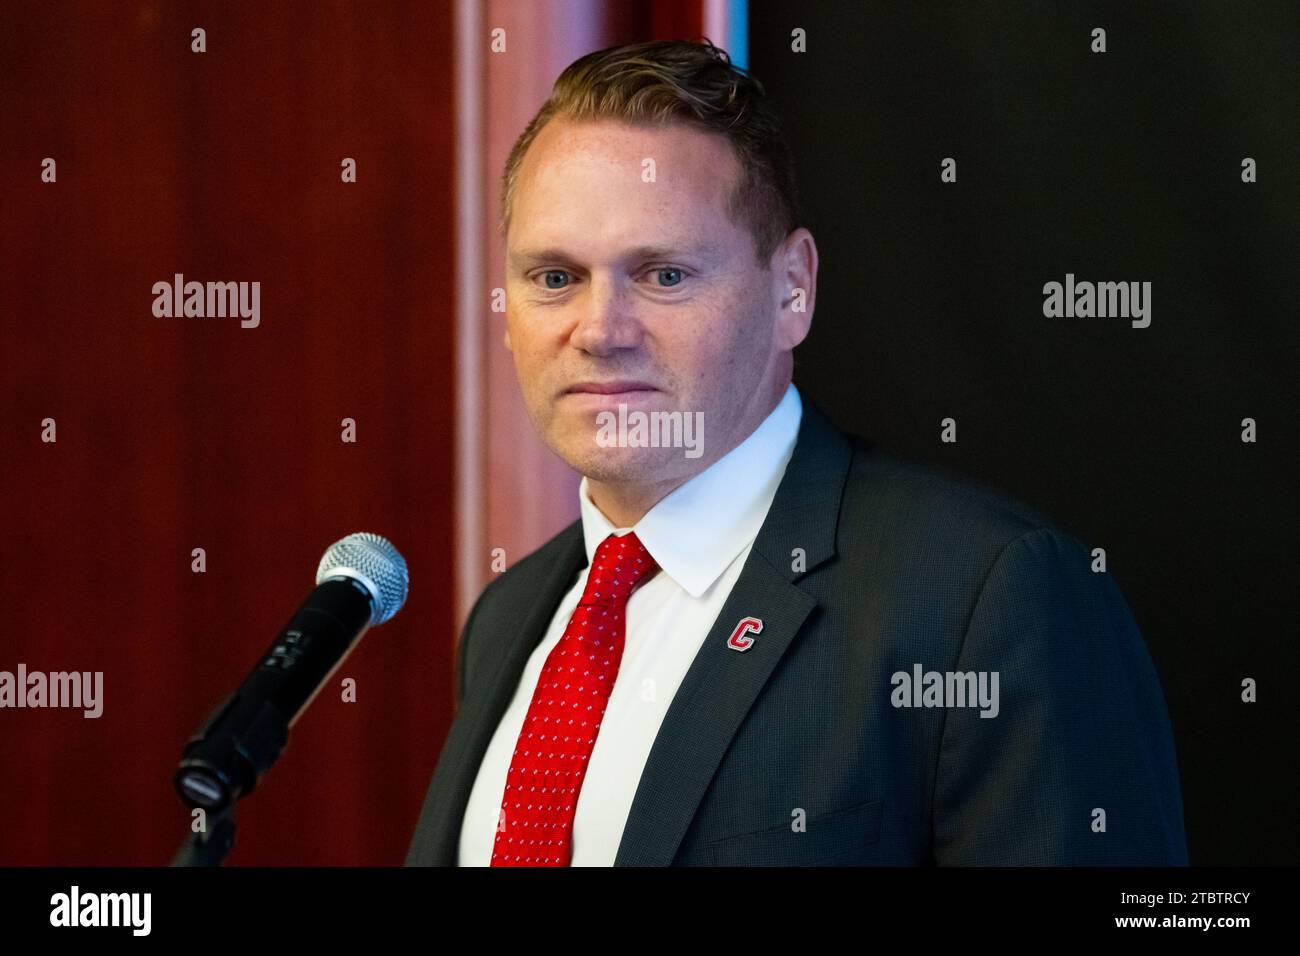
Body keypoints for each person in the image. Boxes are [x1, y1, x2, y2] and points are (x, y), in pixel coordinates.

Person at [405, 38, 1188, 866]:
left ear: (793, 291)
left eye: (665, 275)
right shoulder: (507, 619)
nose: (599, 331)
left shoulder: (987, 600)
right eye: (555, 277)